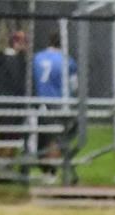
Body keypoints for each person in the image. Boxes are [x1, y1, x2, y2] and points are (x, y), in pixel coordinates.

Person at [31, 31, 75, 172]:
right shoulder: (67, 60)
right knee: (57, 138)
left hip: (39, 103)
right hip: (59, 103)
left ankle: (46, 169)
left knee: (43, 138)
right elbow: (74, 86)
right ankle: (51, 170)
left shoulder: (37, 57)